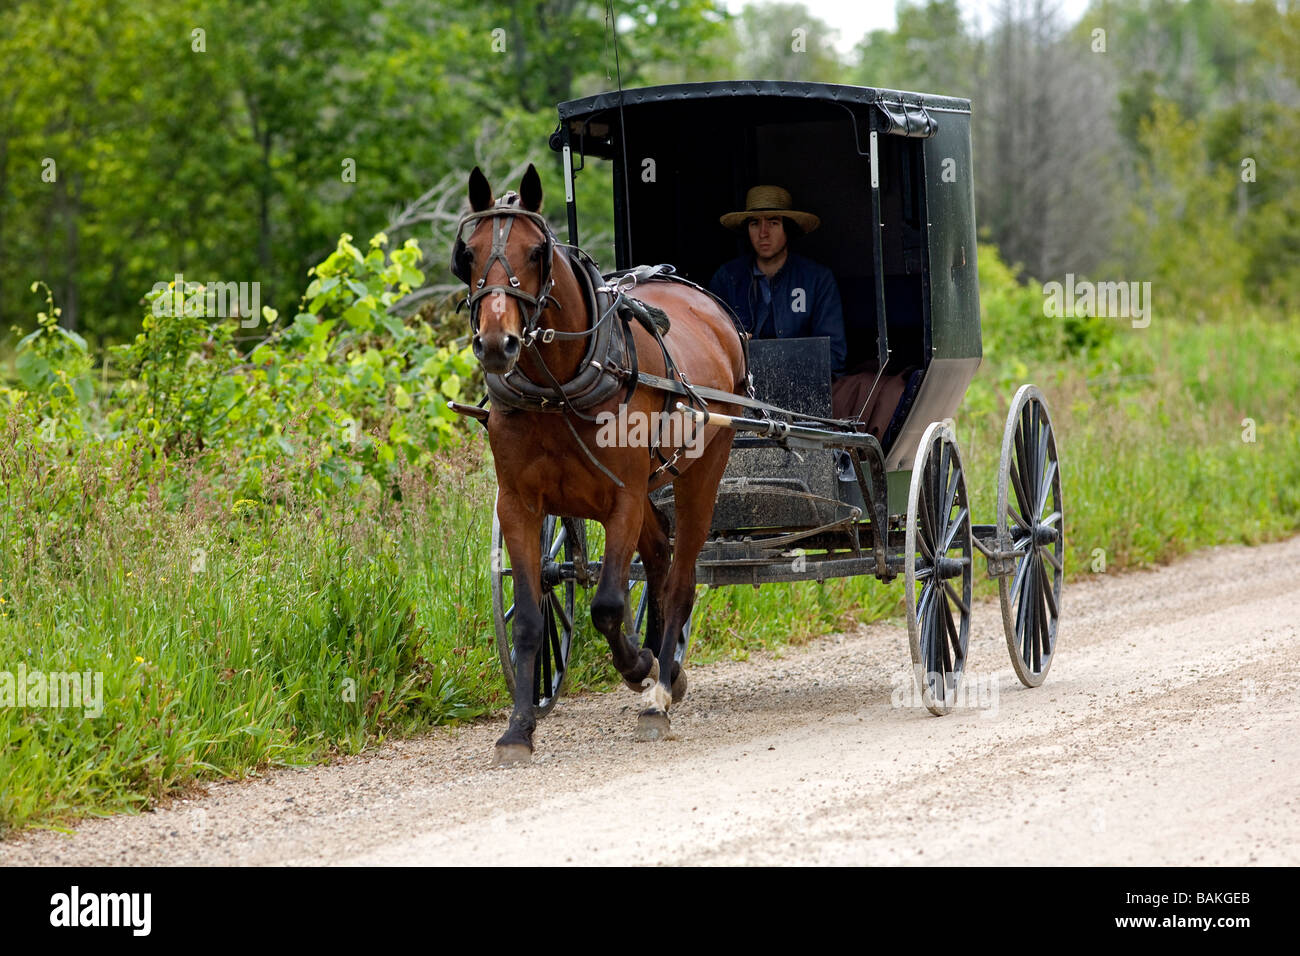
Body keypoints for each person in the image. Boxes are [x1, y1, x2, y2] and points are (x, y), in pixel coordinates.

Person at [708, 185, 847, 378]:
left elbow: (834, 355)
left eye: (773, 223)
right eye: (755, 223)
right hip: (741, 392)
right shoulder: (727, 278)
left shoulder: (817, 279)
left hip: (804, 389)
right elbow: (710, 347)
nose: (763, 233)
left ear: (787, 228)